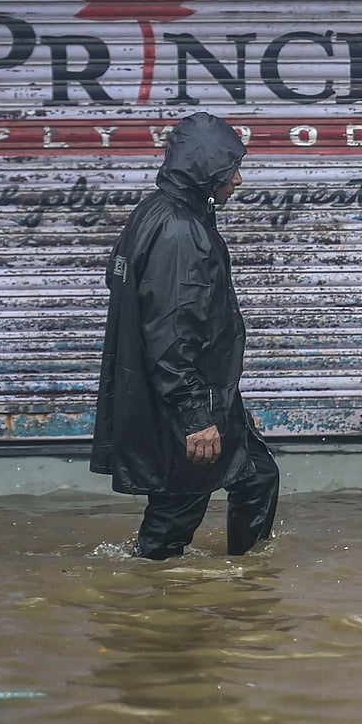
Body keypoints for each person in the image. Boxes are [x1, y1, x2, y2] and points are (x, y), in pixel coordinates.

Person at [90, 111, 280, 560]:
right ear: (204, 170)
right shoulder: (179, 231)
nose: (238, 179)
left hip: (199, 393)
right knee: (173, 519)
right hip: (184, 402)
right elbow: (172, 330)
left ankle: (248, 581)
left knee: (256, 476)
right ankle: (153, 609)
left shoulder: (159, 213)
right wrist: (195, 416)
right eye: (230, 167)